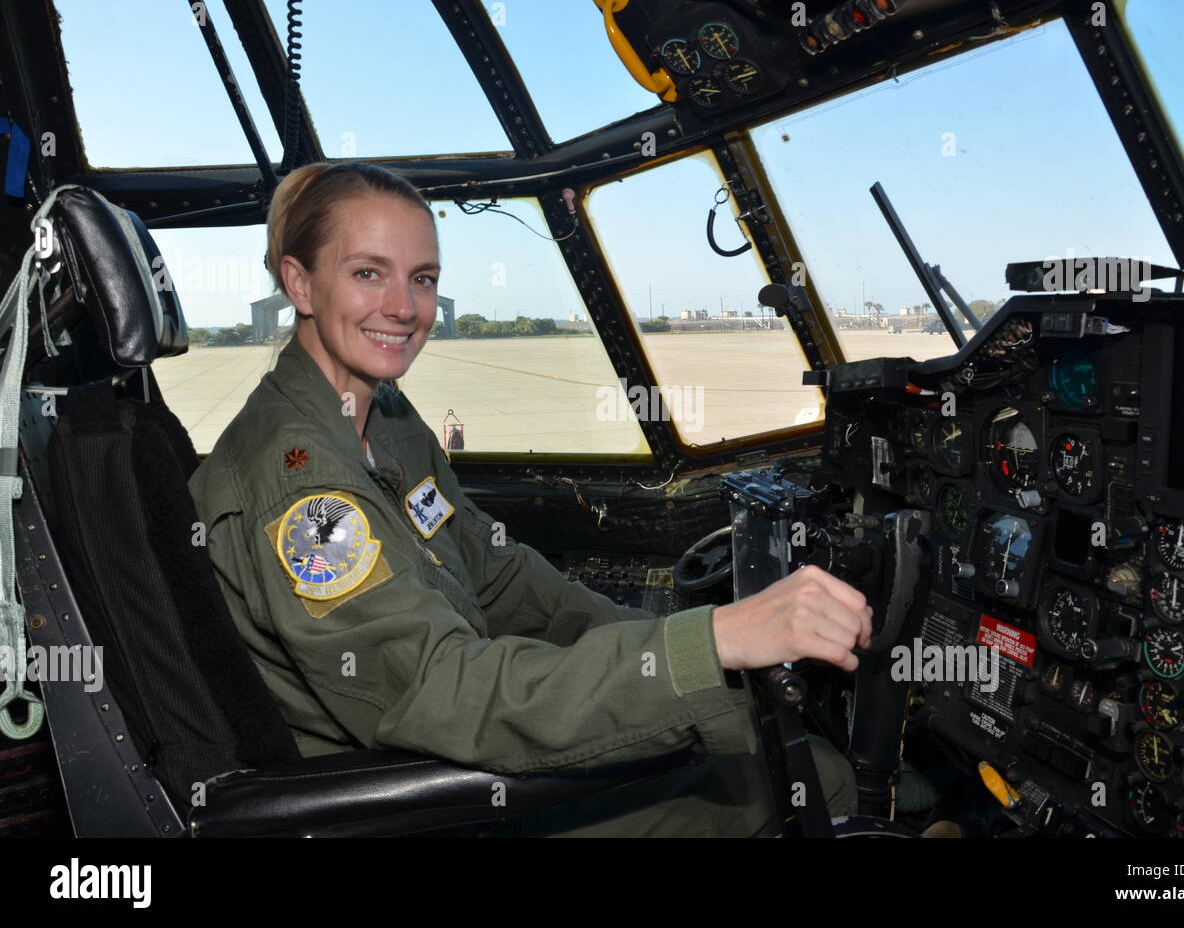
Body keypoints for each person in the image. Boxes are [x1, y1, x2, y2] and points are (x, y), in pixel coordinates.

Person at [188, 161, 874, 836]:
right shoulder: (304, 487)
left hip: (450, 761)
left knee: (766, 751)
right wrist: (713, 642)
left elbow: (500, 576)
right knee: (809, 777)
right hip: (411, 807)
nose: (404, 307)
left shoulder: (383, 417)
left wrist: (661, 647)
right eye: (368, 272)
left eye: (422, 279)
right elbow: (442, 690)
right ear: (300, 283)